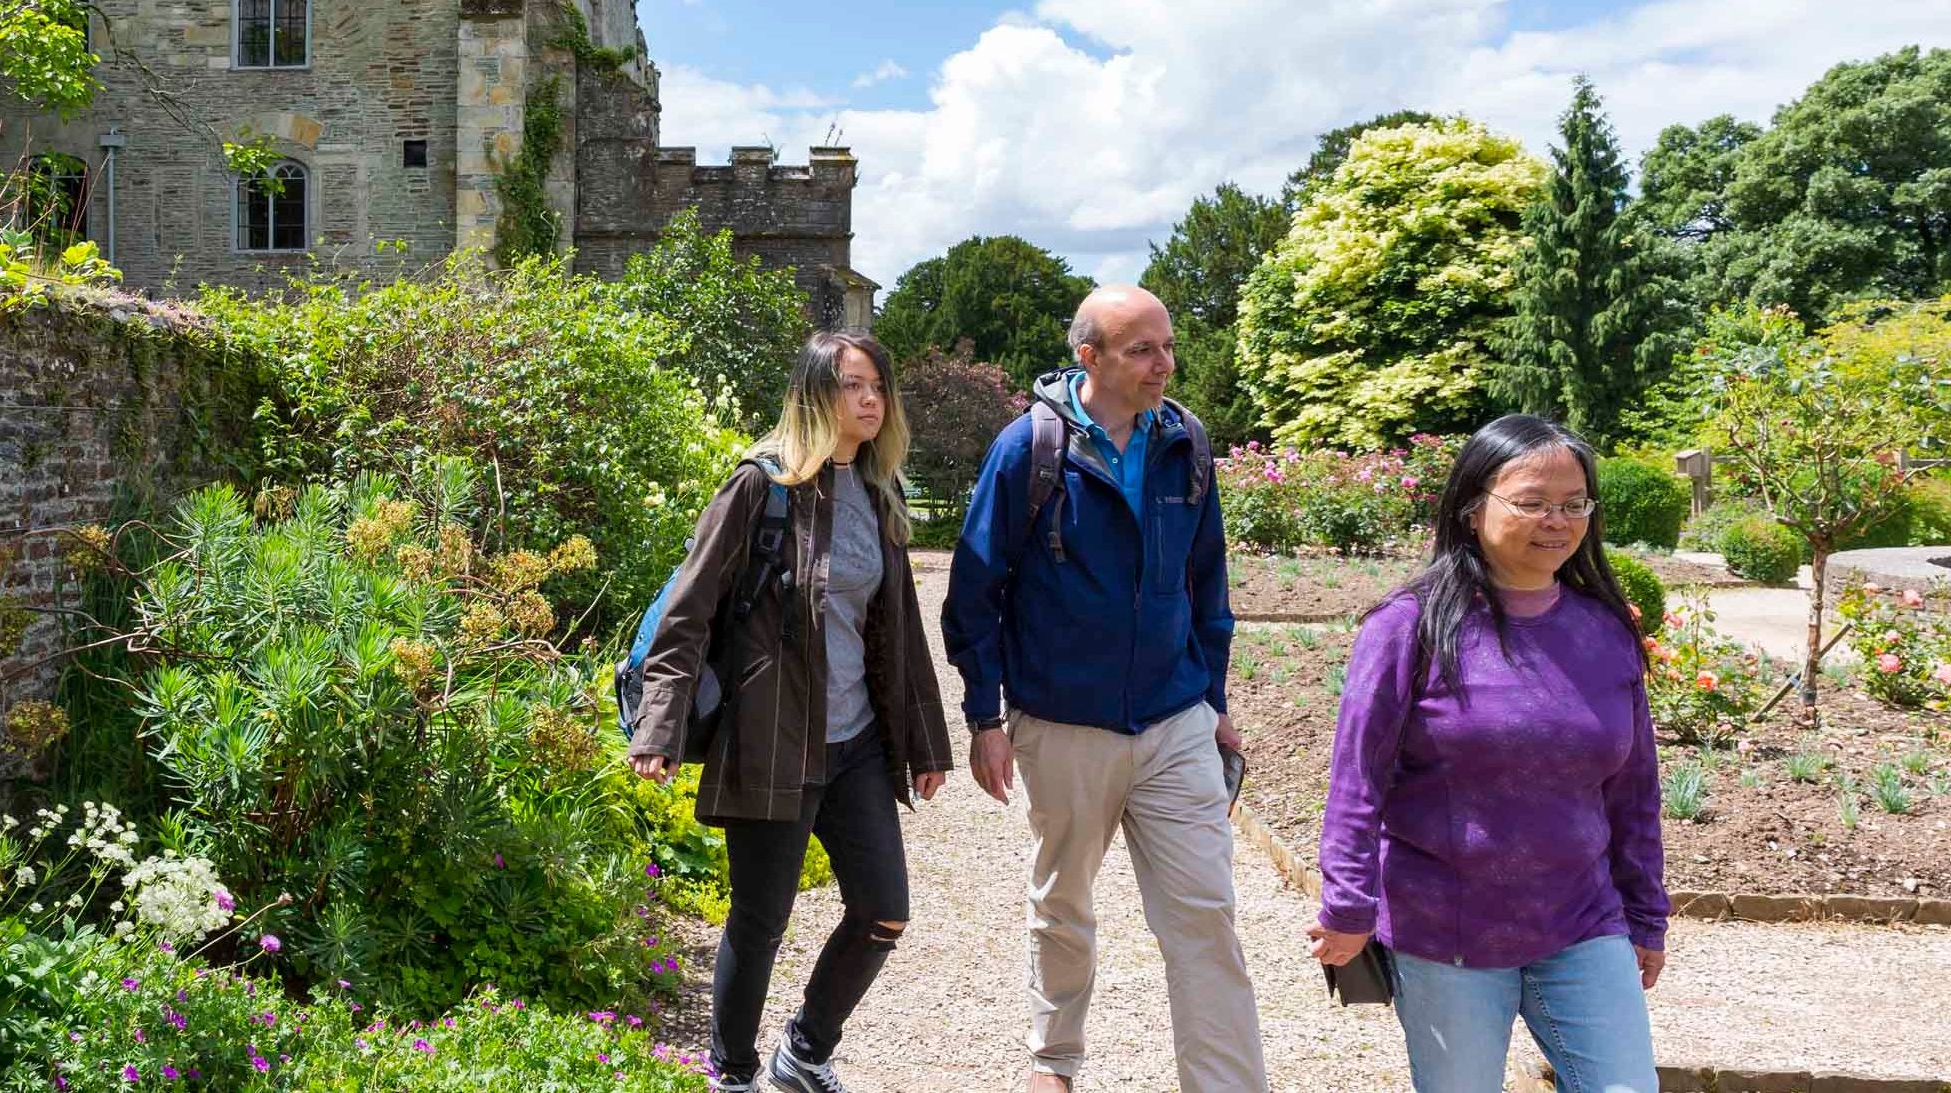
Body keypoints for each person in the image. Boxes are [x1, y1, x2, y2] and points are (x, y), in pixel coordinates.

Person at [940, 284, 1266, 1093]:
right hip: (1065, 723)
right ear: (1090, 358)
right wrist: (986, 714)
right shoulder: (1028, 451)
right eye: (1142, 350)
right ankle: (1055, 1065)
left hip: (1174, 718)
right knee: (1064, 907)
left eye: (1166, 347)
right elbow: (974, 592)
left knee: (1205, 917)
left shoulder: (1184, 444)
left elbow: (1206, 584)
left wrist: (1214, 705)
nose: (1165, 364)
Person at [628, 330, 954, 1093]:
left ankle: (805, 1050)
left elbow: (897, 630)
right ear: (815, 394)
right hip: (772, 738)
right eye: (851, 386)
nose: (870, 400)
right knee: (760, 921)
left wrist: (925, 744)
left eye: (878, 386)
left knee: (884, 910)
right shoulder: (760, 487)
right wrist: (660, 725)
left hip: (858, 745)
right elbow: (687, 616)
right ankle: (732, 1073)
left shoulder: (878, 493)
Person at [1308, 414, 1667, 1093]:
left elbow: (1633, 791)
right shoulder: (1407, 627)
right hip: (1447, 931)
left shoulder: (1605, 631)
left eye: (1573, 504)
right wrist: (1348, 907)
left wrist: (1645, 912)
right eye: (1532, 503)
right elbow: (1358, 783)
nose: (1556, 521)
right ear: (1473, 509)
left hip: (1583, 921)